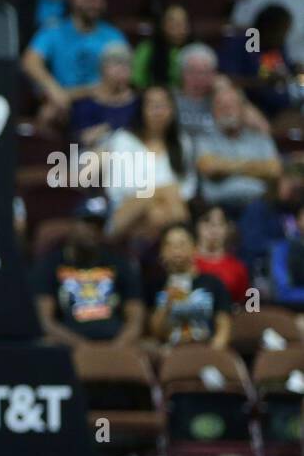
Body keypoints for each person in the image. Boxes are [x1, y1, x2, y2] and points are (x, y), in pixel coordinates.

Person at [21, 0, 127, 131]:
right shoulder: (55, 30)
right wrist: (53, 90)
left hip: (100, 107)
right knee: (46, 115)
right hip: (62, 106)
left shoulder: (113, 36)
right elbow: (30, 62)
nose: (93, 0)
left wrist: (70, 95)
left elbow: (120, 82)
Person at [31, 199, 144, 348]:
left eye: (98, 226)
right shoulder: (50, 265)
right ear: (72, 225)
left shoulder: (120, 264)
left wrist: (118, 347)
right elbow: (45, 321)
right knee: (42, 346)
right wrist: (83, 347)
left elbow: (135, 319)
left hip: (115, 341)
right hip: (70, 343)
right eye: (87, 223)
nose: (92, 230)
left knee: (151, 348)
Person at [100, 85, 194, 245]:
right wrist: (159, 192)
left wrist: (157, 196)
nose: (158, 111)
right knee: (167, 196)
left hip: (167, 210)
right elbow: (119, 188)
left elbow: (187, 188)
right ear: (141, 109)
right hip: (126, 210)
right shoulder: (124, 139)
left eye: (163, 105)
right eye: (152, 105)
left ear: (172, 109)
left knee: (159, 213)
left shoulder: (181, 142)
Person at [196, 86, 282, 216]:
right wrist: (254, 167)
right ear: (213, 111)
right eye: (221, 106)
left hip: (258, 205)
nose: (226, 110)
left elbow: (274, 169)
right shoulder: (203, 139)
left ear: (243, 109)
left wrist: (225, 166)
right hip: (217, 208)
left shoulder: (260, 138)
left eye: (231, 105)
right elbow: (209, 167)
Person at [150, 222, 231, 350]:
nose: (176, 250)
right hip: (170, 352)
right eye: (170, 245)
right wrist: (166, 304)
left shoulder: (212, 282)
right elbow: (156, 333)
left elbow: (223, 325)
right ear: (162, 251)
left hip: (205, 348)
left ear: (194, 248)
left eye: (181, 244)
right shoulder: (155, 284)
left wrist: (215, 352)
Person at [193, 204, 250, 304]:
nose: (213, 230)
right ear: (197, 225)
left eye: (219, 224)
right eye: (207, 222)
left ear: (227, 229)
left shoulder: (237, 268)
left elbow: (243, 305)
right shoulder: (187, 261)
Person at [132, 4, 191, 90]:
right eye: (172, 21)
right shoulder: (147, 48)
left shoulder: (196, 50)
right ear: (163, 24)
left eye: (182, 21)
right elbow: (136, 81)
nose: (178, 25)